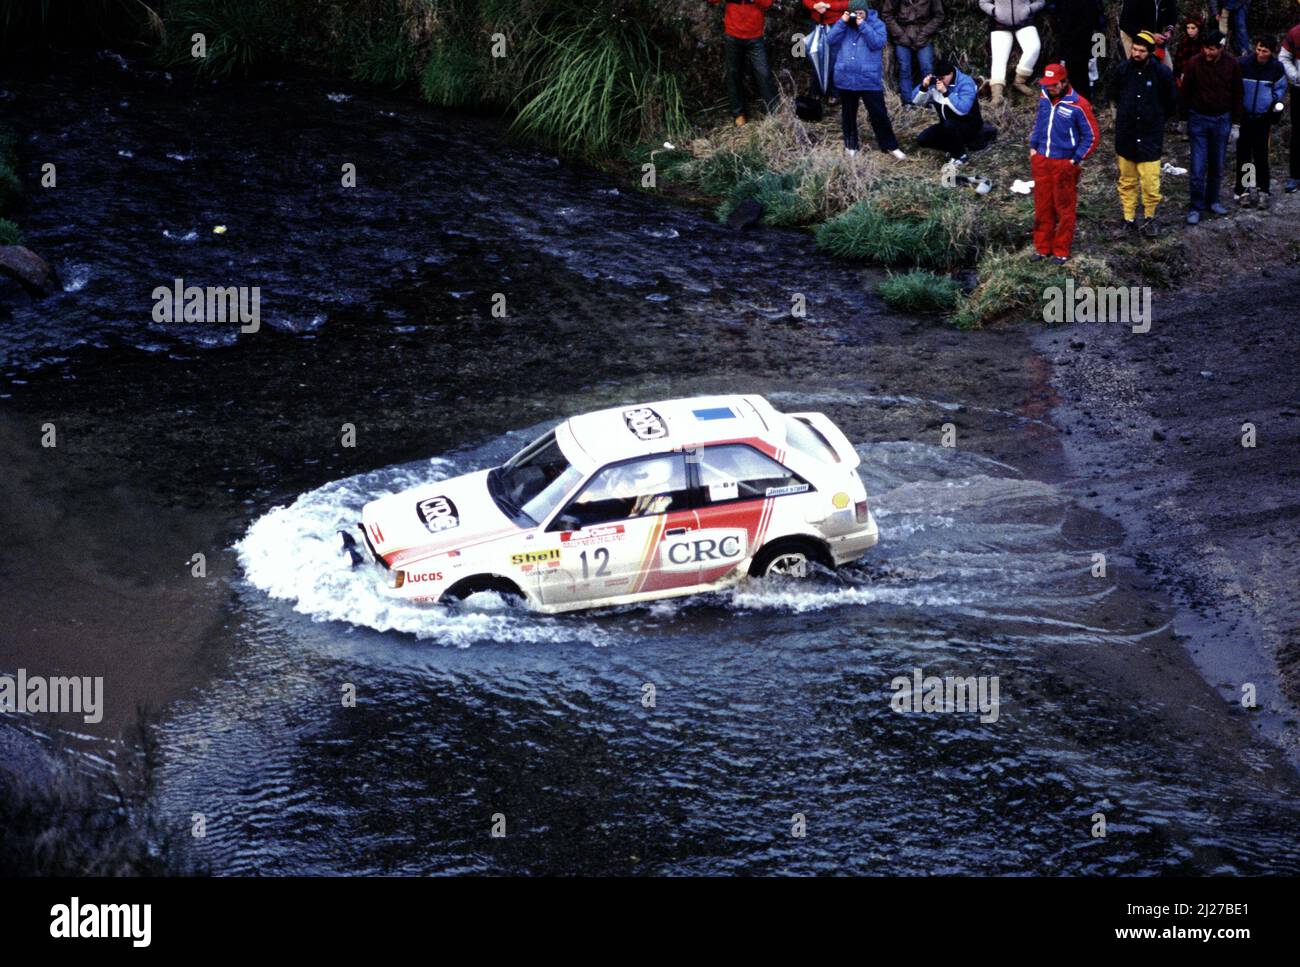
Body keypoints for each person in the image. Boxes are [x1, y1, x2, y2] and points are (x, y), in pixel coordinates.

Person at [1028, 63, 1098, 263]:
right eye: (1047, 84)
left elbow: (1091, 136)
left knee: (1064, 209)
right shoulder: (1043, 97)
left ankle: (1061, 251)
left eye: (1053, 84)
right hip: (1041, 160)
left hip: (1064, 164)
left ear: (1064, 82)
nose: (1049, 88)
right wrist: (1034, 148)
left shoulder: (1079, 104)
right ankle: (1042, 248)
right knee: (1042, 206)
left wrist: (1074, 160)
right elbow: (1040, 123)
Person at [1111, 32, 1177, 236]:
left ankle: (1150, 218)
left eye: (1141, 51)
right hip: (1126, 136)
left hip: (1150, 137)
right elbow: (1113, 95)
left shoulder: (1162, 73)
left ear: (1150, 52)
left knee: (1150, 182)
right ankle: (1128, 218)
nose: (1136, 53)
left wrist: (1155, 120)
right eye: (1134, 49)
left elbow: (1171, 102)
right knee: (1127, 181)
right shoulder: (1122, 70)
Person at [1181, 28, 1244, 224]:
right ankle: (1195, 206)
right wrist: (1183, 119)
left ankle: (1213, 201)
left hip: (1222, 120)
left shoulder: (1232, 65)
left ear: (1221, 48)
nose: (1208, 53)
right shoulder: (1194, 63)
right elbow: (1185, 92)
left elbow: (1237, 94)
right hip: (1198, 119)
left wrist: (1236, 123)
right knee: (1198, 167)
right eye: (1206, 49)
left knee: (1217, 164)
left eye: (1213, 49)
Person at [829, 4, 908, 159]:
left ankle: (890, 146)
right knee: (848, 114)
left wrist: (862, 25)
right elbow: (830, 40)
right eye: (855, 13)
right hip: (846, 77)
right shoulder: (843, 24)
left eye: (861, 13)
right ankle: (851, 145)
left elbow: (877, 43)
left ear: (865, 12)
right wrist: (841, 22)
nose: (858, 16)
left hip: (868, 78)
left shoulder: (877, 24)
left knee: (878, 113)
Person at [1234, 35, 1287, 208]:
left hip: (1262, 118)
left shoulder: (1277, 68)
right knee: (1244, 155)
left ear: (1272, 52)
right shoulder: (1243, 64)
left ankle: (1263, 190)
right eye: (1258, 49)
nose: (1261, 54)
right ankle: (1245, 190)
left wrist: (1272, 100)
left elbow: (1280, 88)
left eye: (1265, 51)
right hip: (1245, 117)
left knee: (1261, 155)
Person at [708, 0, 779, 126]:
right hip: (733, 34)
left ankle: (773, 113)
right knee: (733, 74)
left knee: (763, 73)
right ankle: (738, 114)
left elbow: (767, 3)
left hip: (755, 36)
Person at [911, 59, 989, 164]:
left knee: (949, 125)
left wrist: (946, 93)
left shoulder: (966, 82)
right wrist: (924, 87)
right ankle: (954, 145)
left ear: (951, 74)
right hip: (947, 126)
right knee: (922, 139)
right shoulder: (935, 82)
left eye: (942, 78)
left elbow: (963, 110)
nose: (940, 81)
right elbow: (916, 102)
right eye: (937, 78)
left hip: (969, 125)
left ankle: (960, 155)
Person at [979, 0, 1046, 105]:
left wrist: (1029, 9)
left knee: (1034, 47)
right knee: (999, 58)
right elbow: (983, 2)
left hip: (1024, 22)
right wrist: (994, 11)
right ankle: (997, 95)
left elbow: (1041, 1)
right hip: (1000, 24)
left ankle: (1019, 81)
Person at [880, 0, 945, 106]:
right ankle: (908, 102)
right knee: (904, 68)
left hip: (923, 35)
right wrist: (900, 34)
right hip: (902, 35)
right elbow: (887, 14)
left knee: (927, 67)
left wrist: (924, 33)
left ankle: (928, 100)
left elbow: (939, 15)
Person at [1049, 0, 1105, 102]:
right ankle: (1073, 99)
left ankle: (1084, 101)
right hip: (1069, 33)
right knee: (1072, 67)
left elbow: (1098, 11)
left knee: (1083, 68)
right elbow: (1055, 9)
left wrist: (1099, 23)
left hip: (1085, 33)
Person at [803, 1, 849, 98]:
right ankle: (817, 90)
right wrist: (814, 6)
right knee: (815, 56)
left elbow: (848, 3)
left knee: (835, 59)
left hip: (836, 23)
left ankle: (834, 92)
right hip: (817, 22)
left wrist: (828, 6)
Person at [1280, 13, 1300, 192]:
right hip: (1299, 90)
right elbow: (1284, 58)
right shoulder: (1294, 33)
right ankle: (1295, 176)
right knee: (1298, 132)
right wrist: (1296, 76)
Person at [1173, 14, 1205, 85]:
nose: (1189, 31)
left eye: (1193, 28)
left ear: (1199, 28)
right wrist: (1178, 77)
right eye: (1188, 28)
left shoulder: (1204, 43)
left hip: (1201, 77)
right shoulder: (1183, 42)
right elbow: (1178, 62)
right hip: (1184, 76)